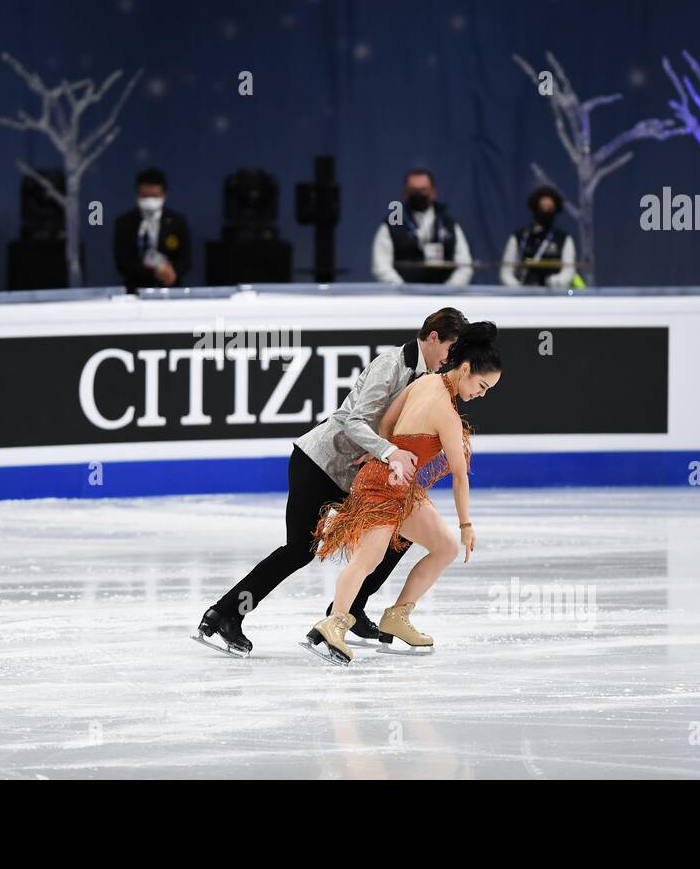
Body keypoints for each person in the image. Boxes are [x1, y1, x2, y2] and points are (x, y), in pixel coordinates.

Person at [195, 308, 468, 656]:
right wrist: (389, 452)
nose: (449, 359)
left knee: (400, 532)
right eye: (449, 348)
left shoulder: (423, 376)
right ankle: (227, 613)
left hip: (353, 477)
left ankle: (348, 611)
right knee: (299, 550)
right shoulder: (392, 365)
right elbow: (353, 421)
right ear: (433, 338)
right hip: (319, 463)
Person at [306, 321, 501, 664]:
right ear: (466, 368)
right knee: (370, 557)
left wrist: (387, 451)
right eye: (482, 386)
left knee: (443, 546)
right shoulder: (448, 414)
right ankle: (333, 623)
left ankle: (397, 617)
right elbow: (459, 476)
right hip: (382, 488)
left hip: (394, 481)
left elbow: (386, 423)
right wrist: (466, 524)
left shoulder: (424, 382)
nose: (482, 394)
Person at [371, 169, 474, 286]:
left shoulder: (448, 223)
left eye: (423, 190)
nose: (419, 195)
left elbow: (465, 265)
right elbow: (381, 266)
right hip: (403, 297)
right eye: (413, 191)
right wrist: (404, 291)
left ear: (433, 192)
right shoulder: (392, 223)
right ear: (405, 193)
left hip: (445, 295)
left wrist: (448, 290)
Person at [113, 168, 191, 292]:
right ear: (137, 195)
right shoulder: (124, 223)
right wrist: (154, 271)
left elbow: (185, 260)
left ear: (164, 195)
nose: (150, 201)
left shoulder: (178, 221)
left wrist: (171, 271)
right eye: (145, 196)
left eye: (154, 196)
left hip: (170, 290)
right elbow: (123, 263)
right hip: (135, 292)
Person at [500, 185, 577, 288]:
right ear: (535, 209)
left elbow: (568, 271)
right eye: (542, 207)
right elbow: (506, 272)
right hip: (522, 295)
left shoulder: (564, 239)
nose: (546, 212)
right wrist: (517, 288)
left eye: (550, 208)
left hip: (554, 296)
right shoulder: (519, 237)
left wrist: (555, 282)